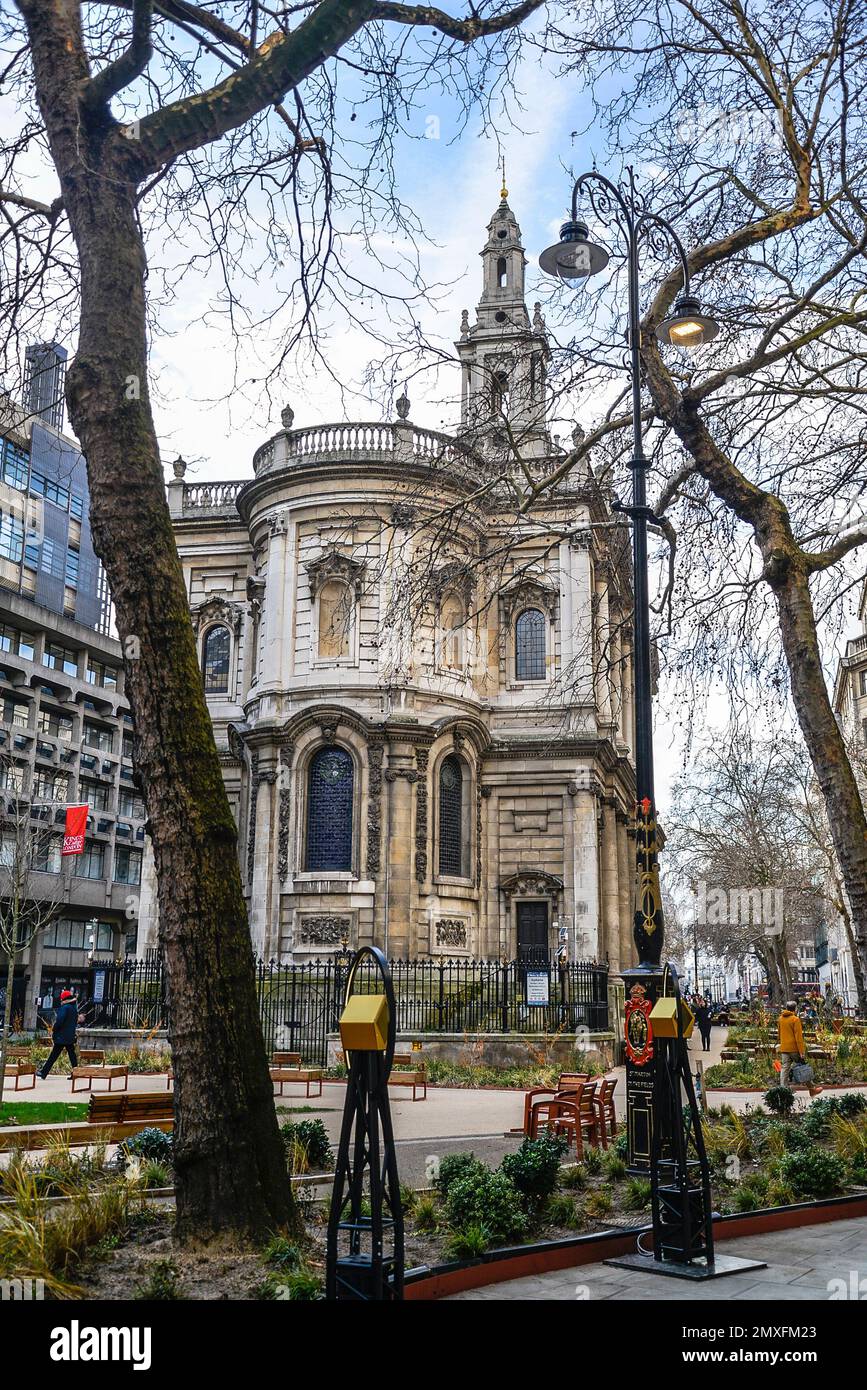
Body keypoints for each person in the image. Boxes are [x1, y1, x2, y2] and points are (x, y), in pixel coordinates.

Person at [37, 989, 79, 1079]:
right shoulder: (74, 1008)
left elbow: (59, 1021)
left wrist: (54, 1029)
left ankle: (43, 1072)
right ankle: (76, 1072)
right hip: (70, 1036)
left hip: (61, 1036)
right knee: (72, 1055)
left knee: (53, 1055)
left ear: (63, 999)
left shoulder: (64, 1008)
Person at [777, 1000, 805, 1087]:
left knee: (784, 1068)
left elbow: (779, 1034)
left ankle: (783, 1088)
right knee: (803, 1066)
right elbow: (798, 1037)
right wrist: (801, 1051)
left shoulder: (780, 1019)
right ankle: (811, 1088)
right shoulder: (795, 1019)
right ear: (795, 1009)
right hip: (794, 1049)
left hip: (784, 1048)